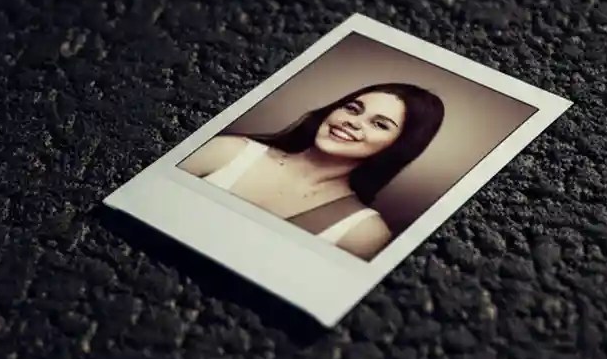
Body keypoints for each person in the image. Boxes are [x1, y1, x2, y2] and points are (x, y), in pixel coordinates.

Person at [180, 83, 445, 260]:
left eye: (379, 124)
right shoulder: (225, 151)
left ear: (398, 146)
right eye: (352, 108)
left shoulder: (364, 231)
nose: (352, 121)